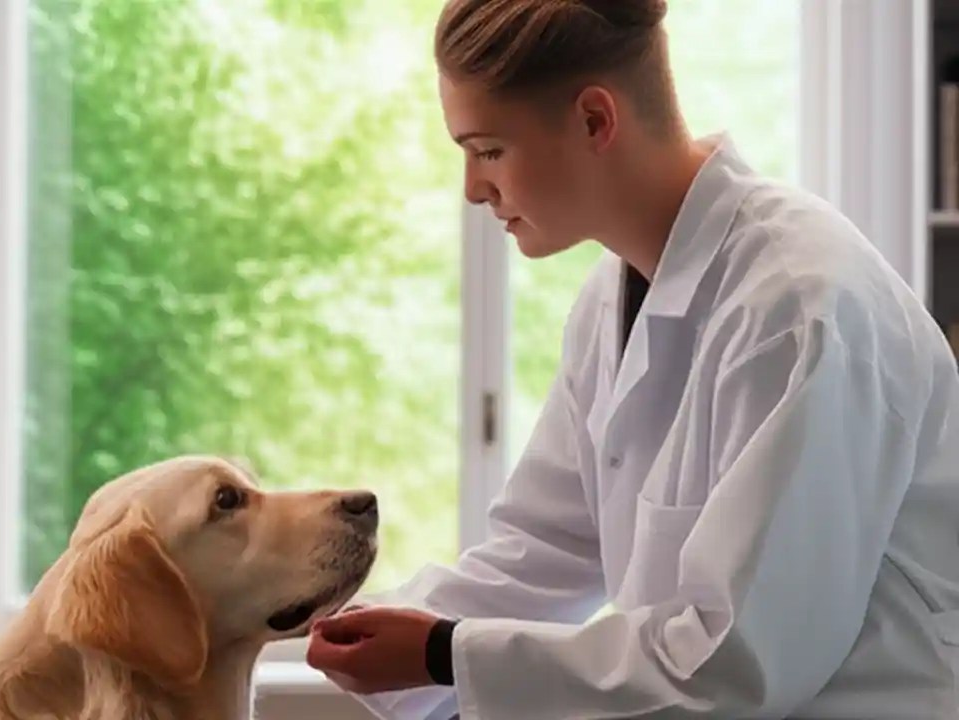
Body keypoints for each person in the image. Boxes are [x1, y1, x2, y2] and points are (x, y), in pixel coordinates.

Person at [303, 1, 959, 718]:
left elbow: (737, 665)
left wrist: (439, 652)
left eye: (488, 150)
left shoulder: (798, 308)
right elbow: (545, 548)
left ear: (594, 120)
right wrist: (352, 628)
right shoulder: (609, 300)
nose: (472, 189)